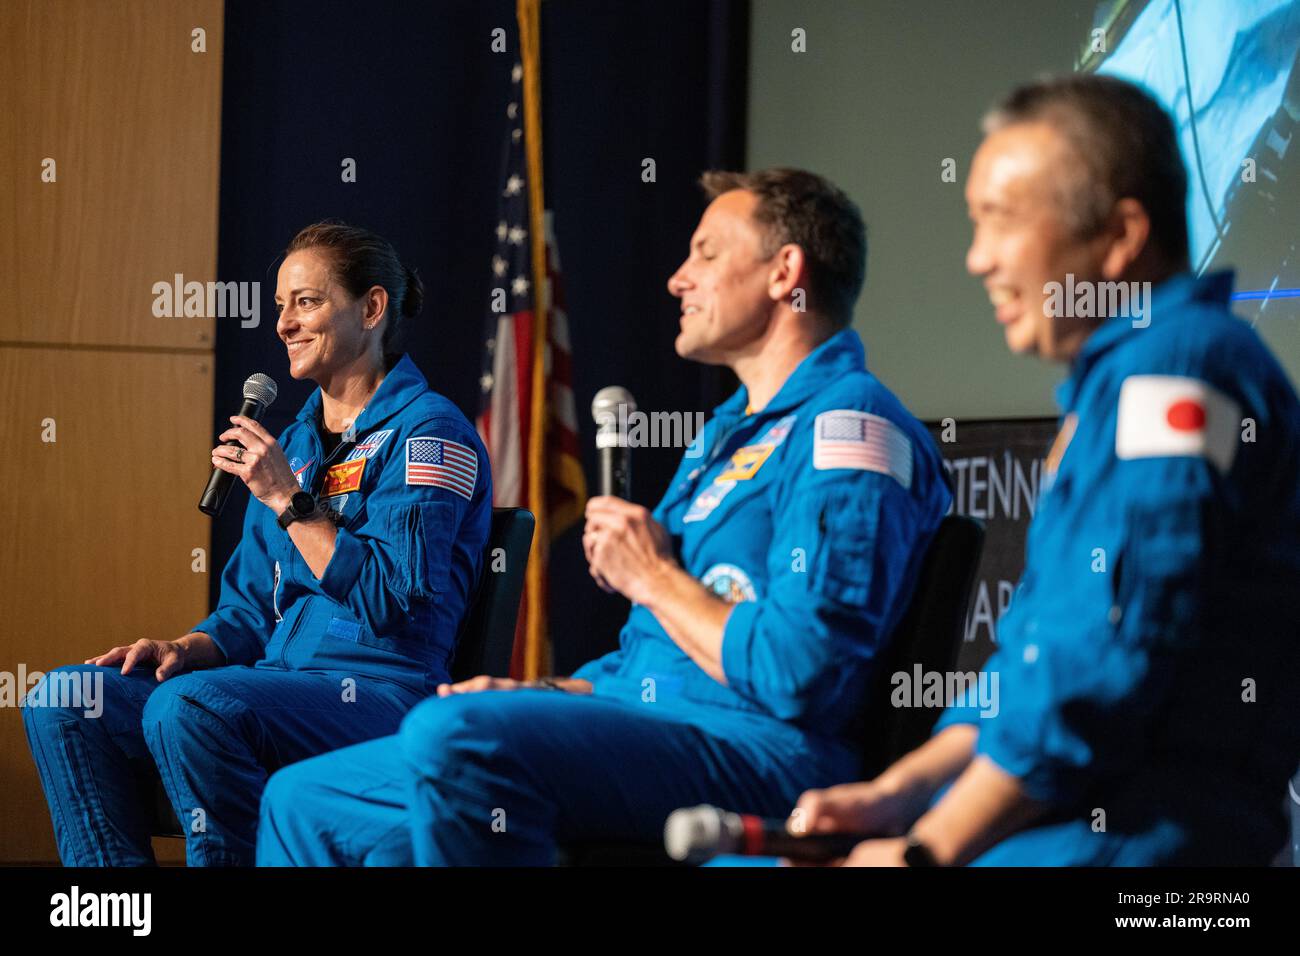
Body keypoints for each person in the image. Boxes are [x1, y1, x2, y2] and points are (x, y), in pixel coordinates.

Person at [256, 168, 952, 865]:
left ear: (785, 273)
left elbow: (802, 673)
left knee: (457, 734)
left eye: (707, 253)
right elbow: (654, 654)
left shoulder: (848, 429)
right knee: (304, 800)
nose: (679, 279)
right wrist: (552, 691)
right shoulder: (726, 435)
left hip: (763, 751)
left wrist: (652, 576)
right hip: (650, 720)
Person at [794, 74, 1300, 867]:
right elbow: (1034, 658)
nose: (977, 259)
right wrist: (899, 793)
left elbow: (1104, 659)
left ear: (1121, 235)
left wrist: (929, 848)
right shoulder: (1127, 383)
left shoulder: (1177, 369)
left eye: (1001, 221)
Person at [22, 222, 493, 866]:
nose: (284, 325)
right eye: (280, 306)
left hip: (383, 693)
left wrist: (289, 502)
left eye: (307, 302)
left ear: (373, 308)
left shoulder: (430, 434)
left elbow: (395, 603)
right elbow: (247, 612)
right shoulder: (295, 443)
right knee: (66, 699)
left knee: (190, 707)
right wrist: (186, 648)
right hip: (277, 683)